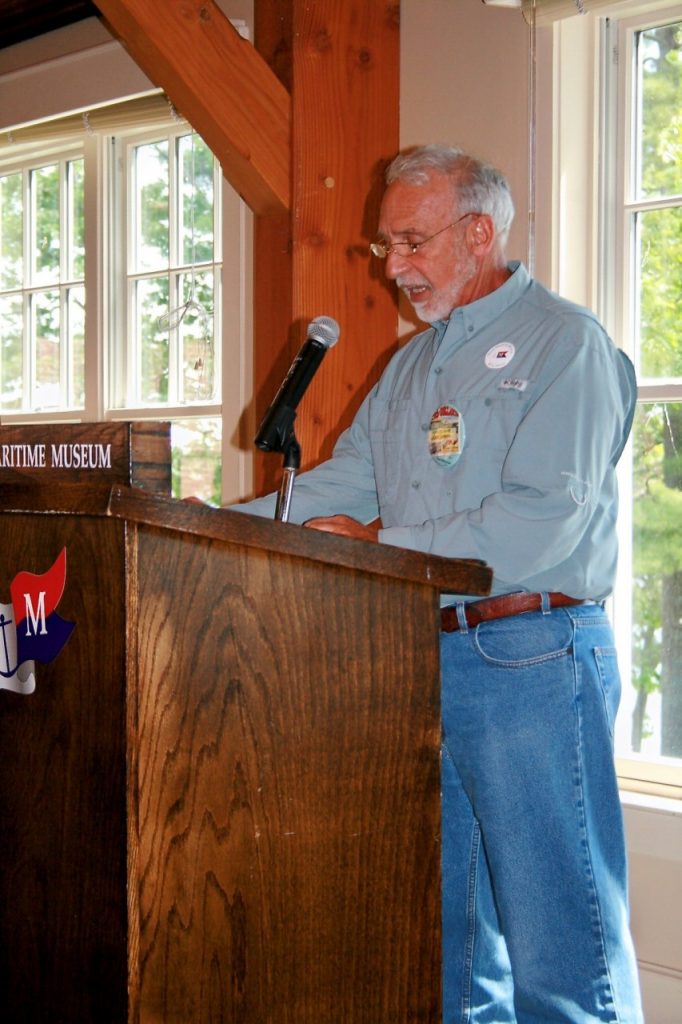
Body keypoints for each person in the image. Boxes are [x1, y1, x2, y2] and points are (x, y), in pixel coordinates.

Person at [235, 144, 643, 1023]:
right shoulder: (411, 366)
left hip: (531, 654)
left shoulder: (564, 342)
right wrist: (225, 520)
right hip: (426, 660)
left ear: (478, 232)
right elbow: (347, 482)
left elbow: (540, 521)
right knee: (447, 950)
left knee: (560, 945)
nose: (395, 268)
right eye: (385, 247)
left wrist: (383, 545)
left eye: (412, 243)